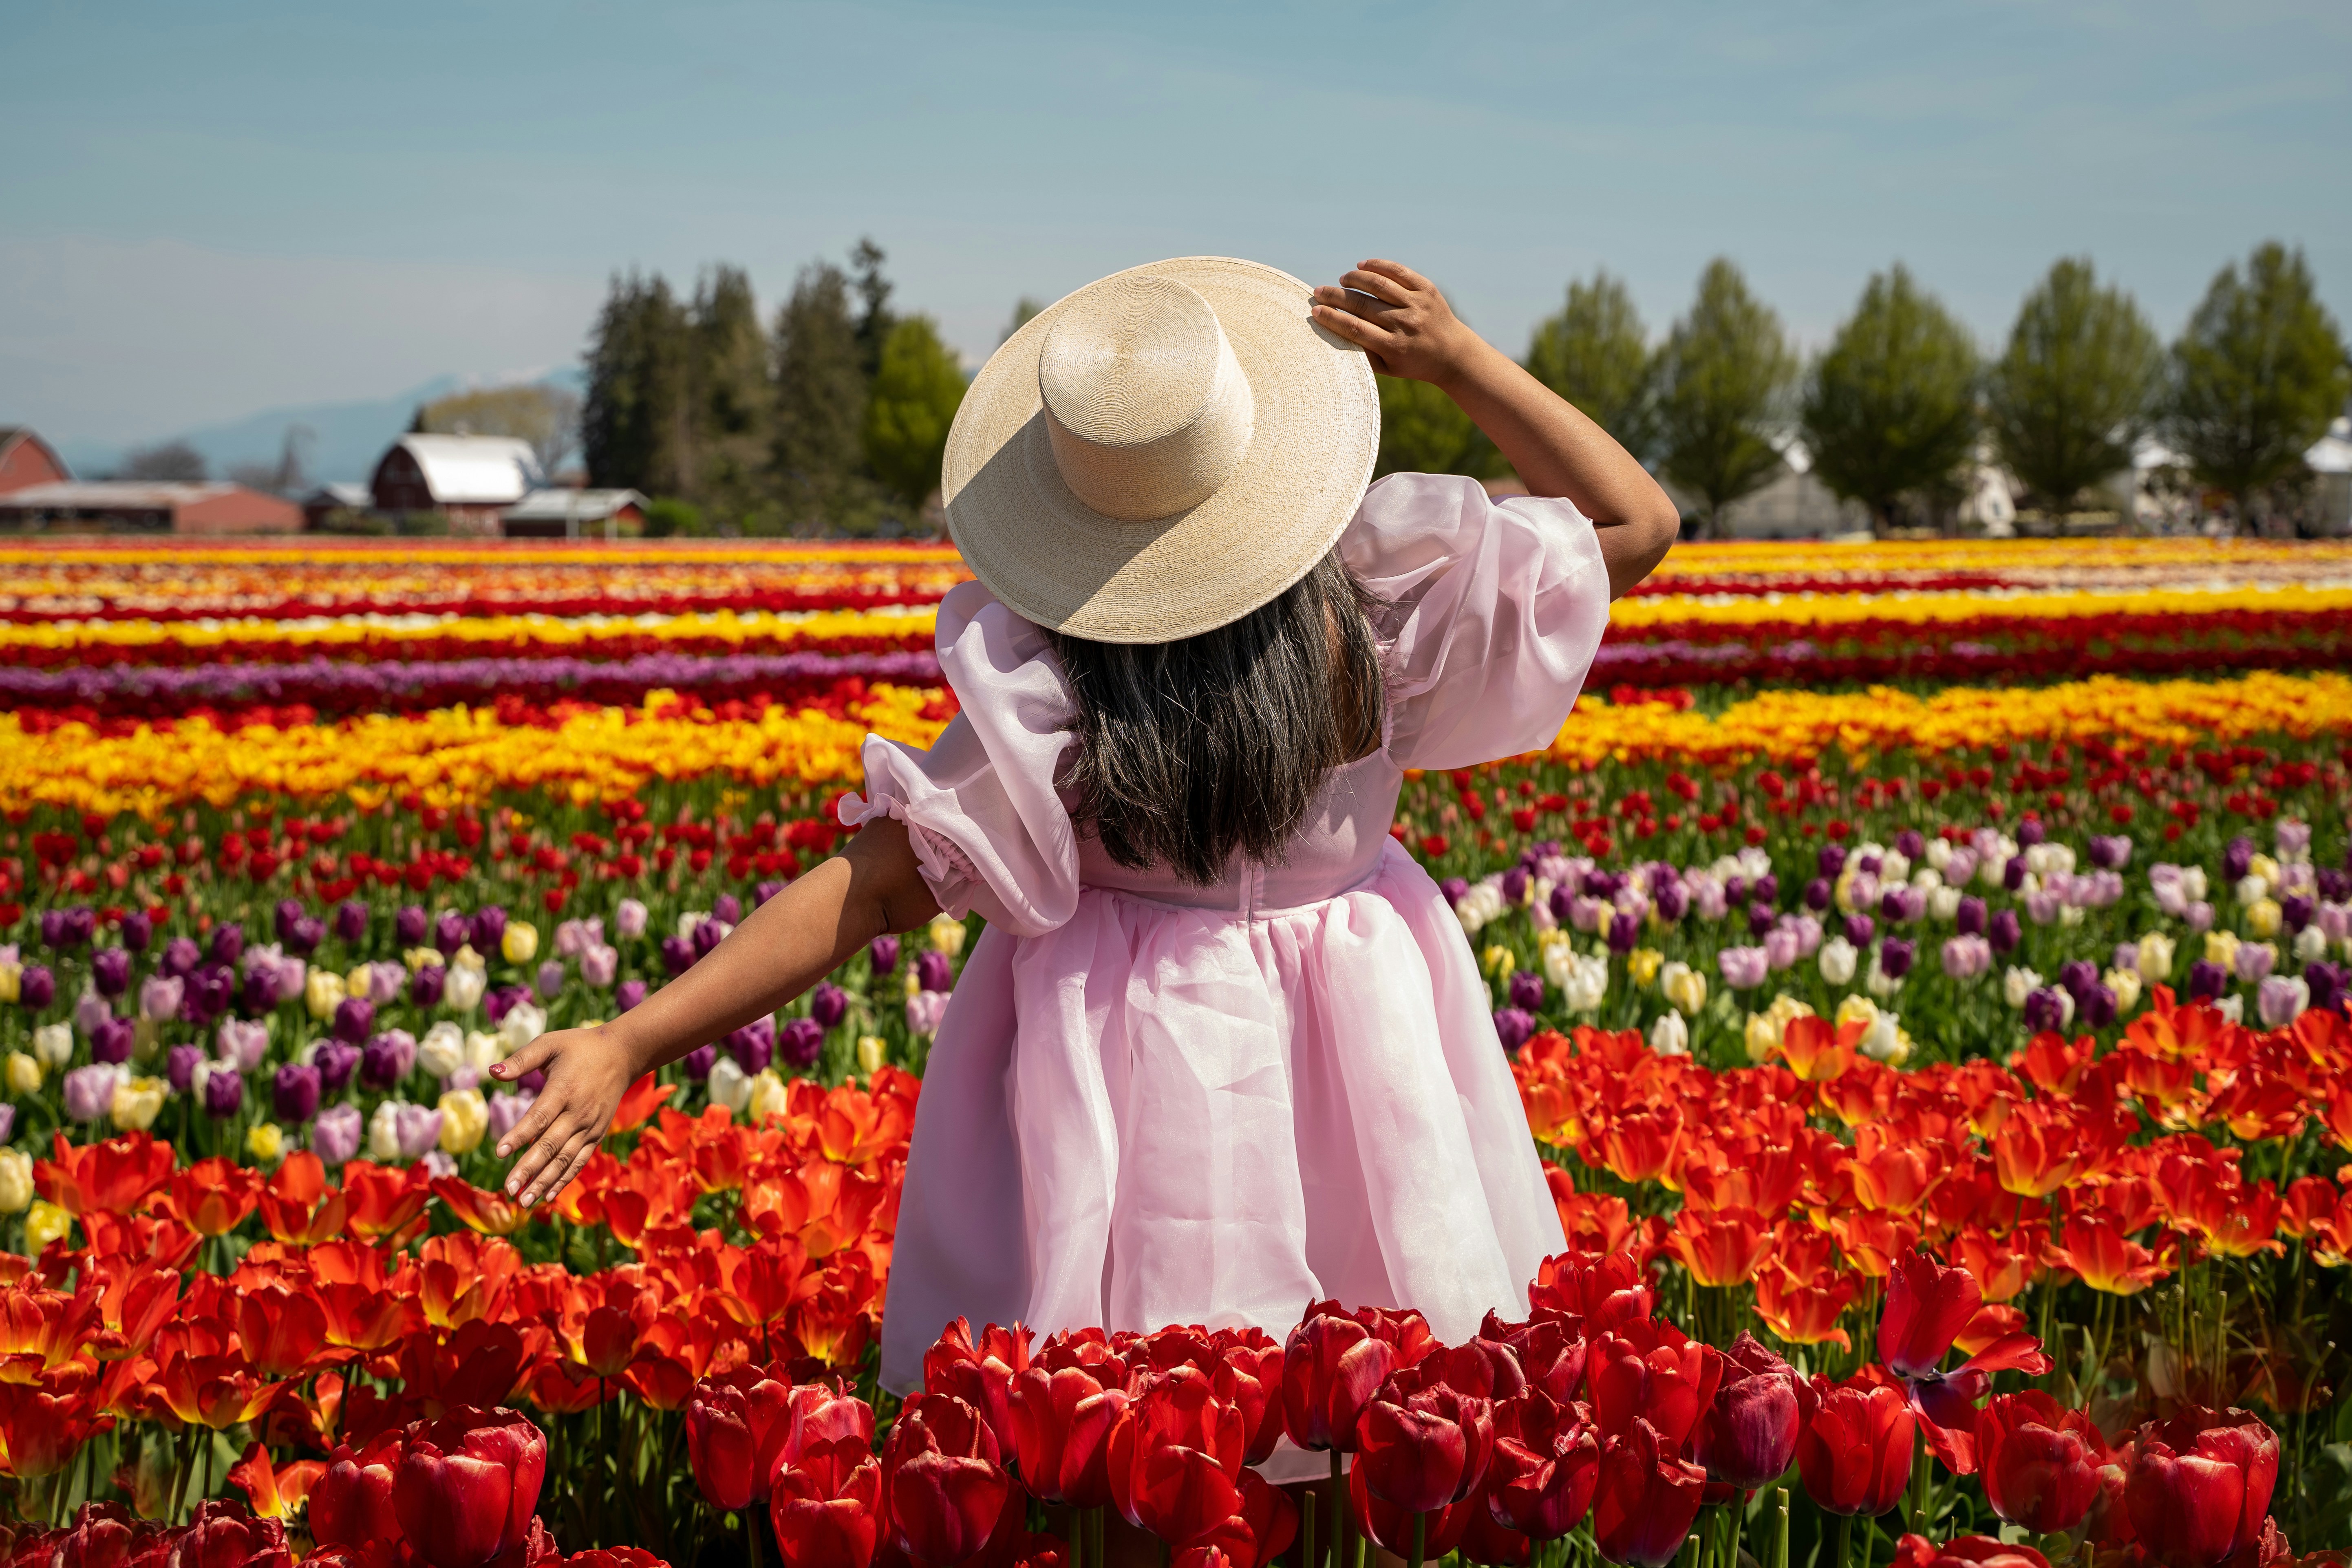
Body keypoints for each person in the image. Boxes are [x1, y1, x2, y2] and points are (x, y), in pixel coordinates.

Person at [491, 255, 1677, 1473]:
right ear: (1271, 468)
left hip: (1124, 1052)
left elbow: (867, 889)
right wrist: (1459, 361)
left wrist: (633, 1038)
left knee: (1152, 1426)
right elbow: (1636, 523)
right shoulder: (1368, 623)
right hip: (1364, 1030)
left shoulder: (1058, 687)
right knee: (1379, 1398)